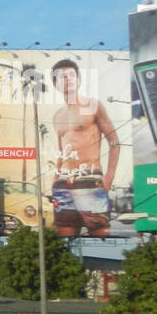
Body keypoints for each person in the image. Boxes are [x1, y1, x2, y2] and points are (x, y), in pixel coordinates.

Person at [50, 59, 120, 237]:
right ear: (55, 83)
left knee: (100, 237)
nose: (68, 79)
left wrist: (109, 177)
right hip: (63, 184)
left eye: (72, 75)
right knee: (64, 242)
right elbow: (61, 151)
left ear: (79, 80)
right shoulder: (57, 116)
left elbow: (114, 142)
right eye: (62, 76)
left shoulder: (93, 106)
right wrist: (55, 179)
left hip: (90, 179)